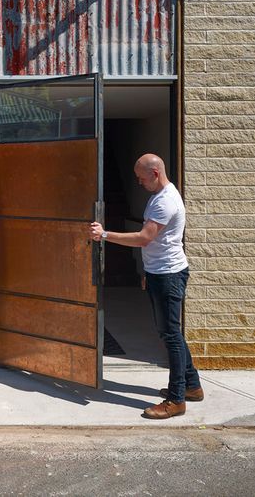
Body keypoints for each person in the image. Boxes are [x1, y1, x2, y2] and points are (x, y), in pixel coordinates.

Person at [89, 152, 203, 419]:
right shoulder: (161, 196)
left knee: (171, 336)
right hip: (160, 272)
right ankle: (192, 386)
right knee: (170, 333)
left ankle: (176, 400)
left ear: (154, 173)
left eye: (141, 178)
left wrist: (103, 235)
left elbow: (144, 238)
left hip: (168, 275)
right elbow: (156, 244)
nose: (139, 183)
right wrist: (146, 271)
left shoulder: (165, 201)